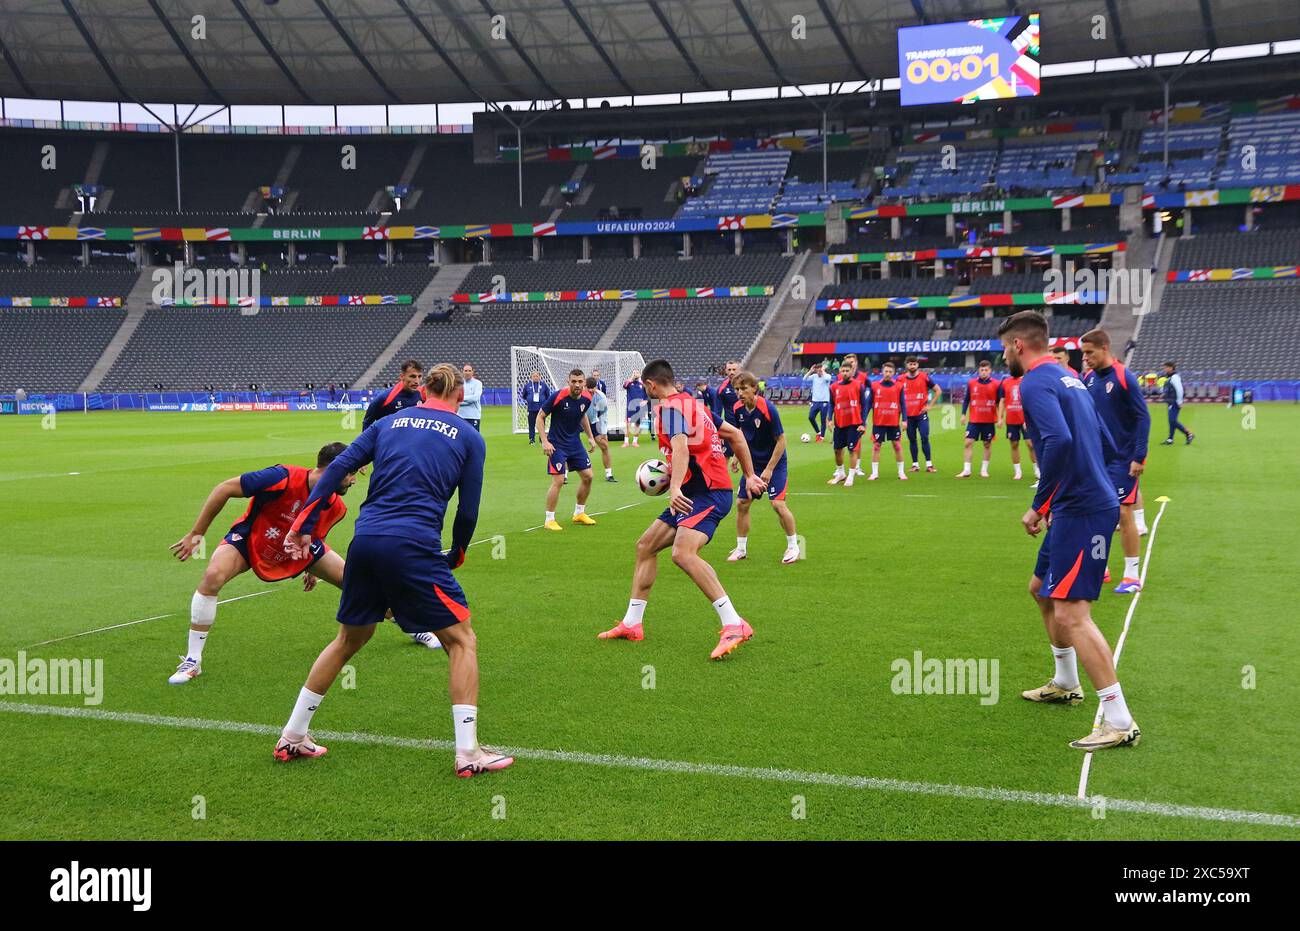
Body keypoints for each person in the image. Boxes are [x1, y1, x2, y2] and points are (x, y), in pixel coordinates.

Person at [272, 364, 512, 776]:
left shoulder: (388, 423)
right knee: (461, 640)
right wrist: (456, 551)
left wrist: (303, 524)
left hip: (365, 542)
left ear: (425, 392)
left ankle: (292, 736)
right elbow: (467, 510)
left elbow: (336, 469)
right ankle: (469, 753)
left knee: (349, 638)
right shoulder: (470, 437)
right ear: (459, 394)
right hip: (412, 545)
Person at [999, 311, 1140, 751]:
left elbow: (1059, 441)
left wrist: (1040, 503)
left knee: (1071, 615)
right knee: (1041, 590)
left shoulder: (1036, 382)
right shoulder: (1070, 378)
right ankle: (1065, 682)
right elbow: (1103, 438)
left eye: (1005, 347)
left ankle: (1119, 720)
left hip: (1079, 508)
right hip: (1079, 501)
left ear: (1019, 346)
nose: (1004, 354)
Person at [165, 443, 419, 685]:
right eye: (351, 473)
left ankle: (413, 625)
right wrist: (196, 534)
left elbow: (316, 535)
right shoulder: (281, 477)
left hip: (299, 548)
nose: (353, 480)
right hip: (252, 537)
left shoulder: (335, 506)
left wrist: (309, 566)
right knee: (212, 576)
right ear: (335, 469)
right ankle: (192, 660)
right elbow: (224, 488)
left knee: (357, 584)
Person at [598, 359, 767, 660]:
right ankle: (632, 623)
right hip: (696, 492)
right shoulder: (694, 403)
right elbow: (736, 436)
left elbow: (681, 447)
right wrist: (751, 474)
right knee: (645, 546)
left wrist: (674, 487)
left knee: (683, 554)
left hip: (708, 494)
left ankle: (733, 623)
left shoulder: (667, 408)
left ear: (650, 385)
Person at [1081, 329, 1151, 595]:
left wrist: (1139, 456)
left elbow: (1143, 418)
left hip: (1123, 459)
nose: (1085, 358)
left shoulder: (1124, 377)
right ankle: (1101, 568)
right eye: (1083, 353)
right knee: (1097, 514)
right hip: (1097, 460)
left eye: (1090, 353)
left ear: (1104, 349)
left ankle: (1132, 575)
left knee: (1123, 513)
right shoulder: (1088, 379)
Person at [726, 371, 800, 565]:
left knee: (777, 504)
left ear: (754, 388)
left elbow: (781, 440)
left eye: (743, 388)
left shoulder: (768, 409)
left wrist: (769, 469)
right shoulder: (737, 408)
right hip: (752, 464)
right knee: (742, 503)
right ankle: (741, 549)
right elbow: (740, 433)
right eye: (736, 389)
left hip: (774, 463)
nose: (739, 393)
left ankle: (793, 546)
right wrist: (735, 456)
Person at [538, 369, 599, 531]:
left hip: (575, 443)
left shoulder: (587, 397)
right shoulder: (558, 396)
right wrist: (544, 442)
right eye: (574, 381)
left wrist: (591, 437)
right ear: (568, 381)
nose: (577, 384)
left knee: (588, 476)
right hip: (556, 444)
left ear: (584, 383)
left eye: (580, 382)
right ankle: (549, 519)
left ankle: (579, 513)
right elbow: (540, 416)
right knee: (558, 481)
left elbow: (583, 415)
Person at [865, 362, 908, 481]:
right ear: (882, 372)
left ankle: (901, 472)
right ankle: (874, 473)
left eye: (890, 372)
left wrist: (904, 419)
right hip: (879, 422)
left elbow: (903, 404)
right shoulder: (874, 386)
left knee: (897, 445)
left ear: (894, 373)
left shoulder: (899, 386)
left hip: (893, 422)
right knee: (876, 446)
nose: (888, 374)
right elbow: (868, 404)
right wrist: (863, 420)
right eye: (886, 371)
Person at [827, 363, 868, 488]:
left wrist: (863, 423)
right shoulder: (834, 387)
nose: (845, 373)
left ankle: (850, 476)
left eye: (847, 371)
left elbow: (864, 405)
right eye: (843, 370)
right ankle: (840, 473)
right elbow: (831, 404)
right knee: (837, 450)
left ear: (851, 372)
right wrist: (829, 419)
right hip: (840, 423)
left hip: (854, 423)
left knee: (852, 450)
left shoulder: (858, 385)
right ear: (840, 371)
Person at [957, 360, 999, 478]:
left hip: (989, 420)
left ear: (990, 371)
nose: (984, 372)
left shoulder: (996, 384)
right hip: (974, 420)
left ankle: (984, 470)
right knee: (968, 442)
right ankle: (966, 470)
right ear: (978, 371)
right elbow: (966, 400)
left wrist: (999, 417)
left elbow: (1000, 402)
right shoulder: (971, 383)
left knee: (987, 444)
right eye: (982, 370)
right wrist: (963, 414)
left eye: (986, 370)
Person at [900, 356, 940, 472]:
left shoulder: (924, 377)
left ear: (917, 365)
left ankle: (929, 465)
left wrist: (930, 406)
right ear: (906, 365)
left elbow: (938, 390)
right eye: (910, 364)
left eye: (914, 364)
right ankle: (915, 465)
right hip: (908, 416)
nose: (912, 366)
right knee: (912, 440)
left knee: (924, 437)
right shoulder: (900, 379)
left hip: (921, 414)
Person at [998, 372, 1038, 481]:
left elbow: (1031, 400)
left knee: (1030, 444)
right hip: (1011, 419)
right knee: (1014, 444)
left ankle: (1037, 470)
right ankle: (1018, 471)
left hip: (1025, 419)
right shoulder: (1005, 382)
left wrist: (1029, 417)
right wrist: (1000, 417)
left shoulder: (1026, 380)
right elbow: (1002, 401)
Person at [363, 359, 422, 429]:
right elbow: (367, 422)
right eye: (412, 376)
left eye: (420, 376)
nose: (417, 381)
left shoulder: (423, 395)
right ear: (402, 376)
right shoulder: (385, 397)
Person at [840, 354, 870, 476]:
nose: (851, 364)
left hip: (857, 415)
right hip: (842, 414)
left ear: (856, 363)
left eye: (852, 362)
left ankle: (857, 466)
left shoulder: (863, 377)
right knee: (840, 443)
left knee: (858, 441)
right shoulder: (840, 377)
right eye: (848, 362)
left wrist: (867, 404)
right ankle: (840, 469)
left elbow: (871, 389)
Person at [585, 375, 616, 483]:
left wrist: (603, 432)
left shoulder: (601, 397)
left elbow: (603, 414)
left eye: (592, 388)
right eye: (588, 387)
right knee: (567, 445)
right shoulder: (578, 394)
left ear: (595, 387)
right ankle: (564, 475)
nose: (590, 390)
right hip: (576, 421)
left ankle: (609, 474)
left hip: (593, 422)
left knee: (604, 445)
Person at [1160, 362, 1194, 445]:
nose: (1164, 369)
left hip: (1174, 402)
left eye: (1165, 368)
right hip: (1171, 401)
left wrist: (1179, 401)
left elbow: (1179, 389)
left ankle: (1189, 434)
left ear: (1171, 368)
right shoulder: (1170, 377)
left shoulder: (1175, 377)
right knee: (1171, 421)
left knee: (1172, 420)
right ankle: (1170, 439)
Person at [804, 362, 834, 442]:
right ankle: (818, 432)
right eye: (817, 370)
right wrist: (810, 371)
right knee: (811, 417)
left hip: (824, 401)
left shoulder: (827, 376)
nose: (819, 372)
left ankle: (822, 437)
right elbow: (804, 379)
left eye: (820, 370)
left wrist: (823, 371)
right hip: (815, 401)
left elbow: (827, 379)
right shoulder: (814, 376)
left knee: (823, 419)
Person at [521, 371, 551, 444]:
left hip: (541, 409)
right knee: (531, 424)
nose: (535, 377)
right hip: (531, 408)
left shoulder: (544, 385)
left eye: (537, 376)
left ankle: (542, 439)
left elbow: (548, 395)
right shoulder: (527, 386)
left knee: (542, 424)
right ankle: (532, 439)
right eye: (534, 376)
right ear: (531, 377)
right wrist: (529, 400)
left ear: (539, 377)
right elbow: (524, 395)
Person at [622, 373, 649, 447]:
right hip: (630, 408)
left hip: (639, 408)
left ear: (640, 375)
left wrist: (646, 401)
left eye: (637, 373)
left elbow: (647, 394)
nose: (635, 374)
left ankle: (635, 441)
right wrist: (631, 378)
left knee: (638, 424)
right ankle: (626, 442)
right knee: (628, 425)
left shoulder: (642, 384)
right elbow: (624, 386)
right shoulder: (629, 383)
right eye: (634, 373)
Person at [458, 363, 483, 431]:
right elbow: (455, 399)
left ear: (472, 372)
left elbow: (475, 398)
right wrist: (468, 400)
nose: (467, 372)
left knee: (474, 439)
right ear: (462, 372)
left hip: (473, 416)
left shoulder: (478, 383)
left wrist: (460, 400)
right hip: (460, 416)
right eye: (465, 371)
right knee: (460, 439)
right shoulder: (458, 384)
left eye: (469, 370)